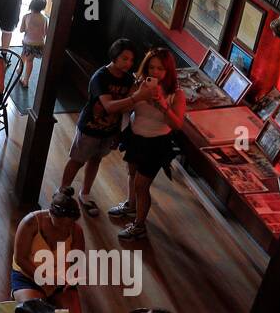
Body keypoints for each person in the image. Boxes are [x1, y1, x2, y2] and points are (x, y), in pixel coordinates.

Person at [59, 38, 151, 218]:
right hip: (89, 127)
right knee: (77, 159)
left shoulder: (128, 79)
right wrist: (136, 97)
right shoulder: (100, 77)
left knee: (96, 160)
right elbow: (109, 106)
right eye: (125, 58)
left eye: (132, 60)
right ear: (114, 56)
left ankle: (85, 194)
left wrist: (119, 131)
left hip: (110, 130)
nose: (129, 63)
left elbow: (124, 108)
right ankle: (62, 191)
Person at [108, 47, 186, 241]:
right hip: (135, 137)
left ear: (168, 71)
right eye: (151, 67)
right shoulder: (139, 84)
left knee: (142, 185)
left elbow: (177, 125)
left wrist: (162, 105)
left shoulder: (176, 94)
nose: (154, 72)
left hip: (157, 144)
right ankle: (130, 205)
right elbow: (125, 108)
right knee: (132, 174)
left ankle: (139, 225)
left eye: (160, 68)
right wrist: (138, 96)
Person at [18, 0, 49, 89]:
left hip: (28, 43)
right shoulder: (45, 18)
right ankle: (20, 69)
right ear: (43, 7)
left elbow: (21, 30)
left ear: (31, 4)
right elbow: (46, 32)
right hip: (39, 44)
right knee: (28, 58)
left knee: (27, 59)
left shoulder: (26, 16)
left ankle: (25, 80)